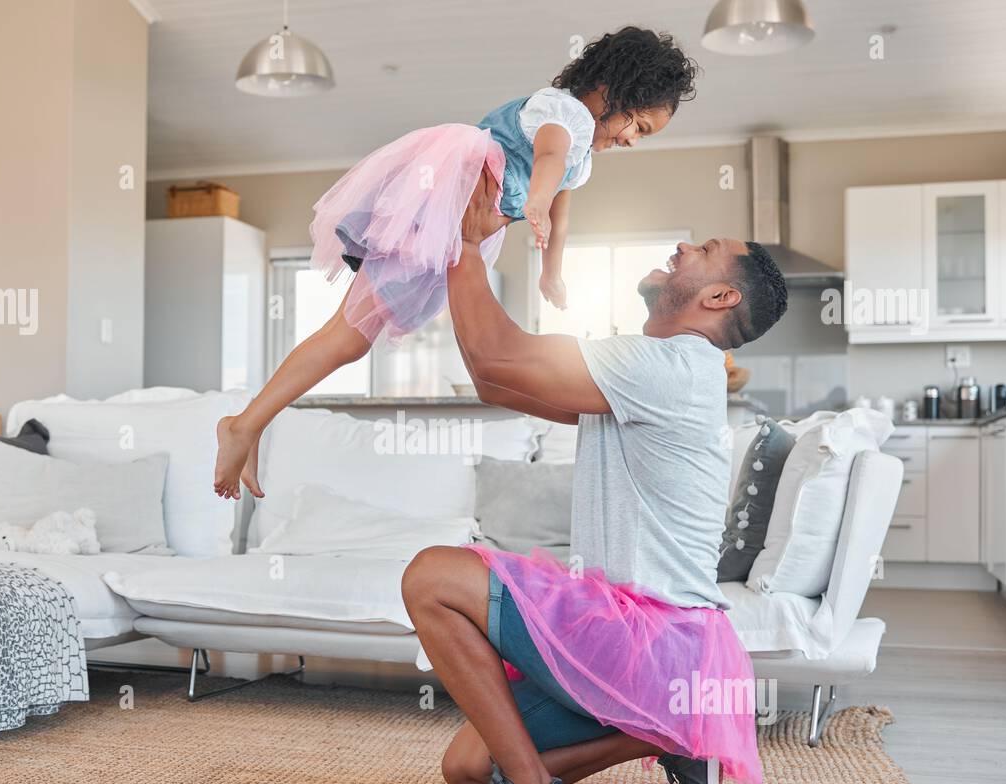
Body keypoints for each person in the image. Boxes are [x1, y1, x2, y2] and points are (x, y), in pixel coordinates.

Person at [401, 170, 789, 784]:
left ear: (721, 294)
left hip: (657, 644)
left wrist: (464, 244)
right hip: (656, 654)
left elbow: (497, 354)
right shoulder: (663, 370)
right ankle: (672, 733)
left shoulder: (672, 364)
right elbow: (494, 378)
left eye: (703, 248)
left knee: (432, 576)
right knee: (467, 766)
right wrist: (464, 248)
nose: (681, 246)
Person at [213, 27, 699, 499]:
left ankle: (250, 423)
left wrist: (551, 271)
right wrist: (535, 199)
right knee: (349, 335)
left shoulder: (583, 159)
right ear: (607, 90)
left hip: (458, 224)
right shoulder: (564, 112)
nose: (634, 139)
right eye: (636, 122)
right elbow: (549, 153)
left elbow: (562, 217)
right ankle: (243, 425)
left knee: (352, 337)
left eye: (645, 134)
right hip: (445, 197)